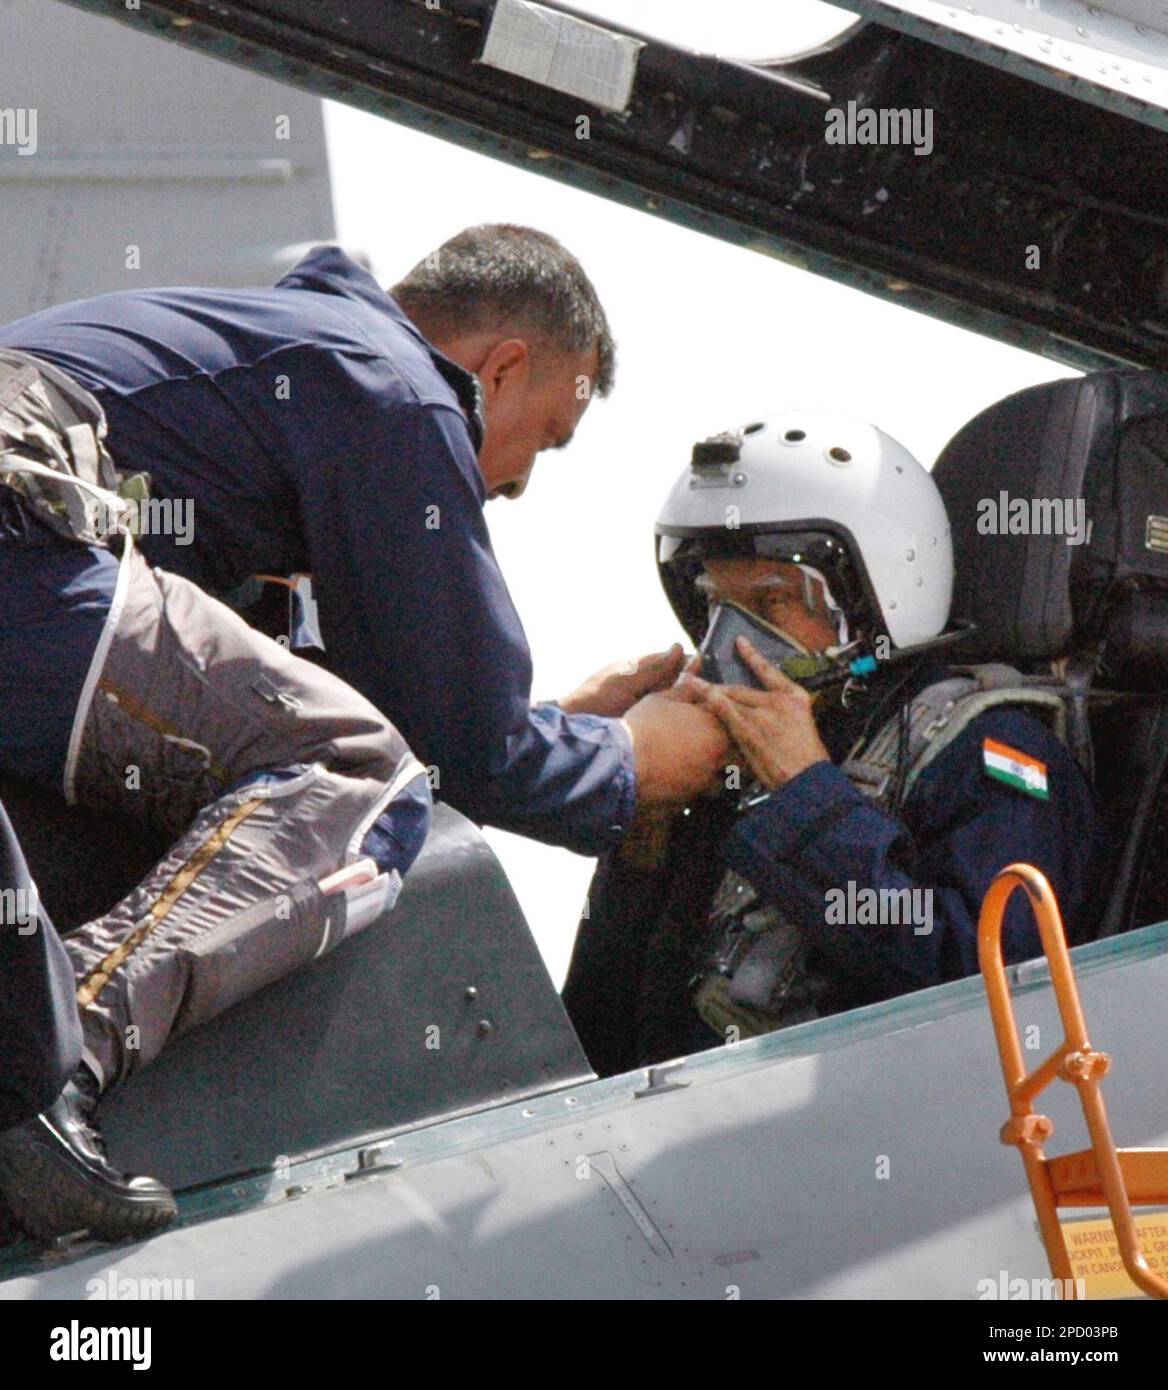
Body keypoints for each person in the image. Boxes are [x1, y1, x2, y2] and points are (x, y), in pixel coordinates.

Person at [0, 227, 727, 1239]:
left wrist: (554, 724)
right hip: (22, 529)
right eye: (545, 439)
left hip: (28, 559)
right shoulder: (395, 385)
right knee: (354, 780)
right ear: (502, 367)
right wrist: (636, 761)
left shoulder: (281, 363)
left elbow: (358, 705)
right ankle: (39, 1062)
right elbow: (441, 753)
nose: (515, 485)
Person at [562, 413, 1098, 1076]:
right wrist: (641, 852)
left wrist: (808, 797)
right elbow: (604, 1051)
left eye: (774, 600)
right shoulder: (731, 768)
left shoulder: (992, 754)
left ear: (877, 597)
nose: (734, 639)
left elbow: (988, 998)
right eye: (714, 602)